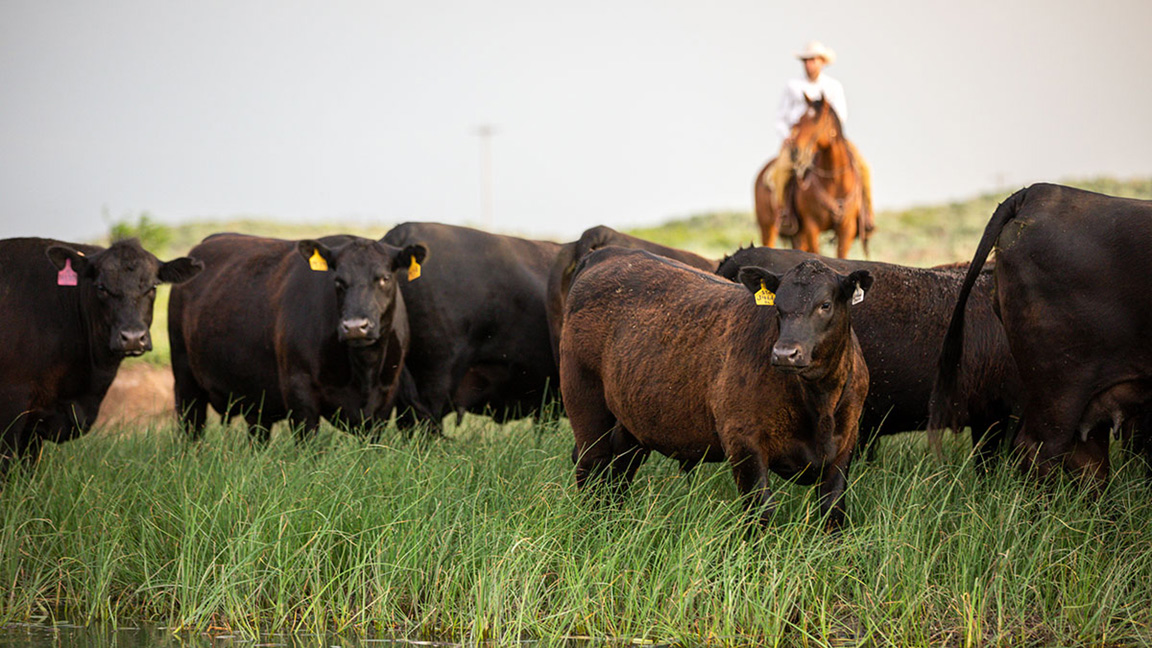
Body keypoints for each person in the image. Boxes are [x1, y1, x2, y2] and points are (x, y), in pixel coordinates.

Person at [767, 41, 873, 232]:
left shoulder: (833, 86)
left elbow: (841, 115)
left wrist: (826, 133)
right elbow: (780, 117)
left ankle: (866, 216)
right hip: (799, 139)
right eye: (806, 60)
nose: (809, 64)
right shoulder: (793, 86)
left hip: (831, 137)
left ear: (822, 62)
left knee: (863, 168)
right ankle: (784, 213)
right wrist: (786, 136)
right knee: (781, 171)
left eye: (813, 60)